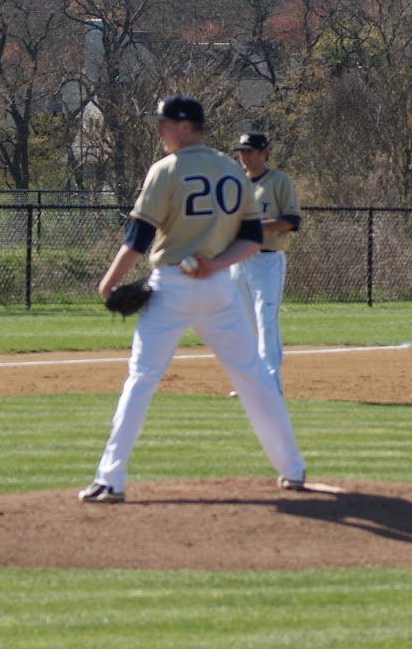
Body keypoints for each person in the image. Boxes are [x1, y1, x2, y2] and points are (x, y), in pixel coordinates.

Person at [81, 95, 307, 503]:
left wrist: (108, 283)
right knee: (254, 376)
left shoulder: (166, 169)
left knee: (142, 378)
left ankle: (111, 479)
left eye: (164, 123)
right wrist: (216, 265)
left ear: (185, 126)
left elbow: (139, 237)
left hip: (171, 287)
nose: (159, 130)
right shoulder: (231, 170)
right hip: (219, 288)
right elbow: (252, 239)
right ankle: (292, 467)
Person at [227, 132, 302, 396]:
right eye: (242, 151)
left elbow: (292, 220)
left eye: (250, 151)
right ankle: (249, 381)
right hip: (238, 260)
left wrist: (258, 227)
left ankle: (270, 380)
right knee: (245, 324)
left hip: (267, 260)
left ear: (265, 153)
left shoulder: (279, 181)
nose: (245, 156)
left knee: (265, 321)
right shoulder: (235, 183)